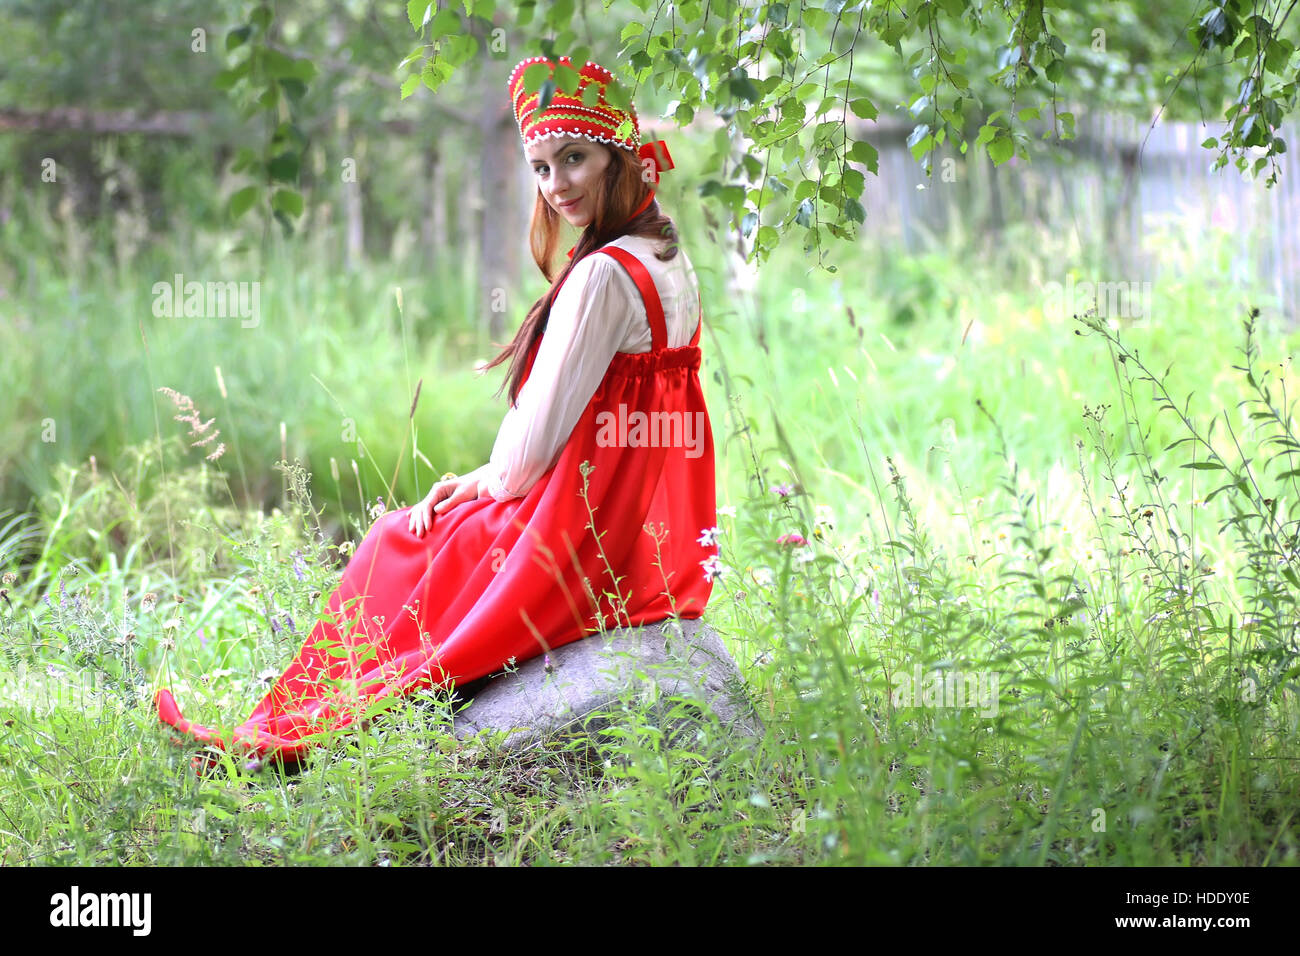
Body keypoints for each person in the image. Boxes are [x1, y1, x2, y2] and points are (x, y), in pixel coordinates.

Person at [154, 55, 718, 764]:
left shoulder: (604, 275)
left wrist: (477, 482)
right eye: (541, 167)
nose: (557, 185)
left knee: (401, 541)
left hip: (587, 533)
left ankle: (290, 735)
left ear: (618, 156)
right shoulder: (667, 254)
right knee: (427, 535)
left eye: (573, 158)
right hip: (654, 539)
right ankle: (295, 727)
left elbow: (533, 448)